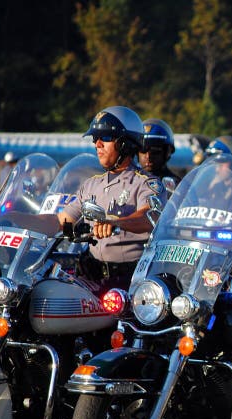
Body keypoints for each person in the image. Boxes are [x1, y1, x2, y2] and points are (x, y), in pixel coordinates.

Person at [58, 106, 165, 292]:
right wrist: (17, 220)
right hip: (92, 277)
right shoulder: (92, 185)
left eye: (105, 138)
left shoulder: (146, 183)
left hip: (128, 282)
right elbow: (60, 221)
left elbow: (149, 216)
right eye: (95, 139)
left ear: (126, 144)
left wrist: (116, 222)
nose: (97, 144)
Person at [139, 118, 179, 186]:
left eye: (154, 150)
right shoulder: (128, 182)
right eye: (143, 149)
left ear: (167, 152)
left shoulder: (178, 186)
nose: (148, 156)